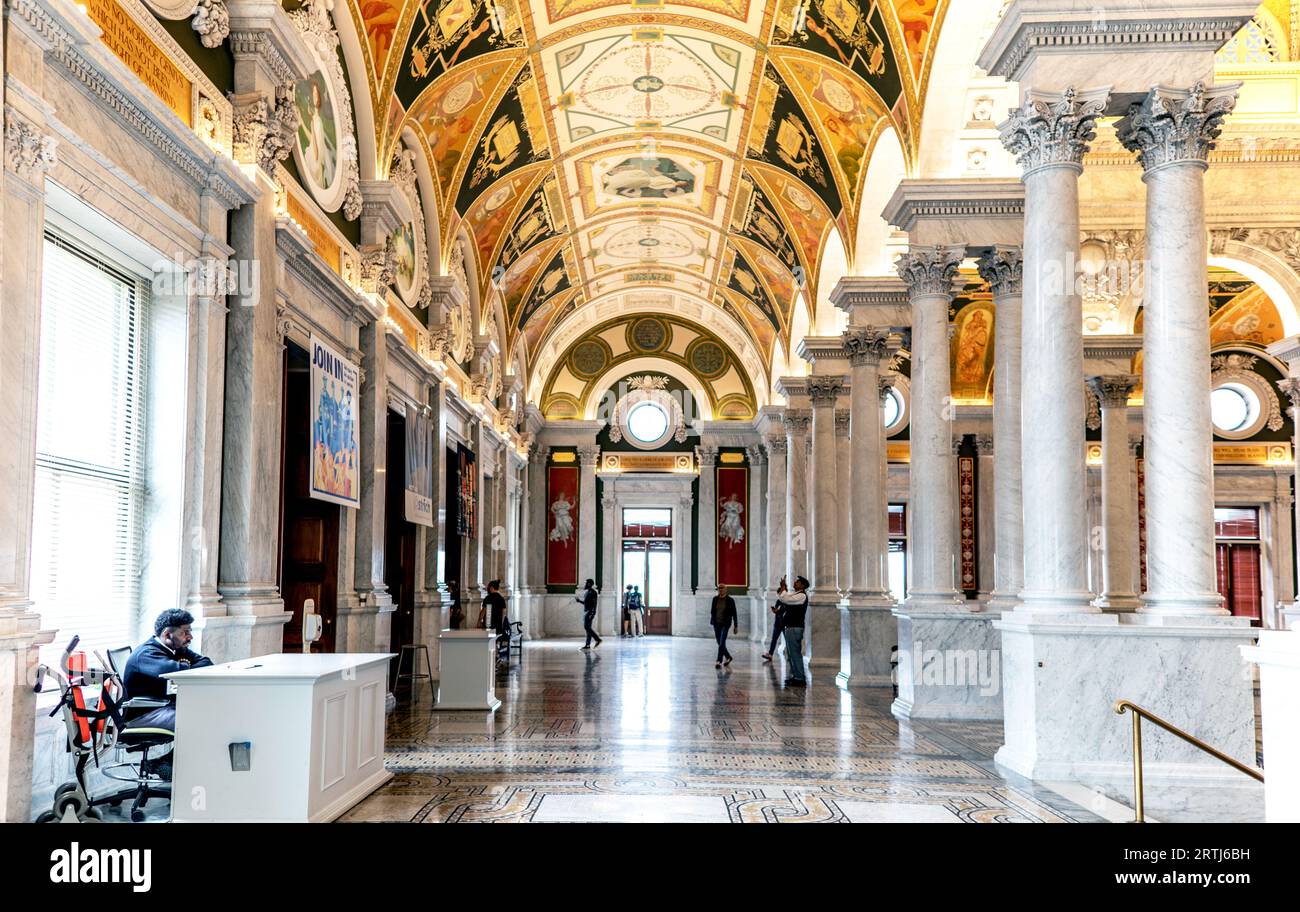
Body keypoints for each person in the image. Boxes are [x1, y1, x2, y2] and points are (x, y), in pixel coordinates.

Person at [121, 609, 215, 778]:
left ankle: (167, 762)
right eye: (185, 632)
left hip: (162, 708)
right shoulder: (147, 654)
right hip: (143, 714)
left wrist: (187, 666)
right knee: (201, 719)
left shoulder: (176, 648)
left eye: (190, 632)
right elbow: (181, 673)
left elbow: (206, 662)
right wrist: (186, 667)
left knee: (208, 715)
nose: (190, 637)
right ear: (167, 634)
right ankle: (168, 763)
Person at [776, 576, 810, 686]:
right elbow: (784, 598)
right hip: (791, 627)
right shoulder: (796, 595)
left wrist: (783, 588)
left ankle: (800, 678)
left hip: (795, 628)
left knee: (795, 654)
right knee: (791, 654)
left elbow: (785, 599)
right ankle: (796, 676)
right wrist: (783, 588)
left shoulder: (802, 595)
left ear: (803, 585)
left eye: (797, 582)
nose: (795, 583)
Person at [710, 584, 738, 668]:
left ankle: (719, 661)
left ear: (726, 590)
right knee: (719, 642)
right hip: (716, 624)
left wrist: (736, 625)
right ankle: (728, 657)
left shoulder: (730, 600)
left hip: (725, 624)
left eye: (722, 588)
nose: (720, 590)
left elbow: (734, 613)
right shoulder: (715, 599)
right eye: (719, 588)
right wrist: (714, 621)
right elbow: (712, 611)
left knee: (722, 642)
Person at [762, 575, 788, 662]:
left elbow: (785, 611)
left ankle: (790, 655)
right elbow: (778, 610)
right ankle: (770, 654)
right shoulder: (778, 601)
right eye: (779, 593)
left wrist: (778, 611)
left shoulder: (788, 600)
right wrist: (775, 611)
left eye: (780, 592)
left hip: (785, 624)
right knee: (774, 639)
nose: (779, 594)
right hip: (777, 623)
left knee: (788, 641)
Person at [577, 578, 601, 649]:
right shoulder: (587, 592)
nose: (585, 584)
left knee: (586, 627)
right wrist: (579, 601)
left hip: (590, 612)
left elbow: (595, 603)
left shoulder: (593, 592)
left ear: (589, 584)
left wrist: (593, 613)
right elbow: (585, 603)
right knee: (588, 628)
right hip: (586, 611)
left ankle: (598, 639)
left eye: (586, 583)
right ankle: (587, 645)